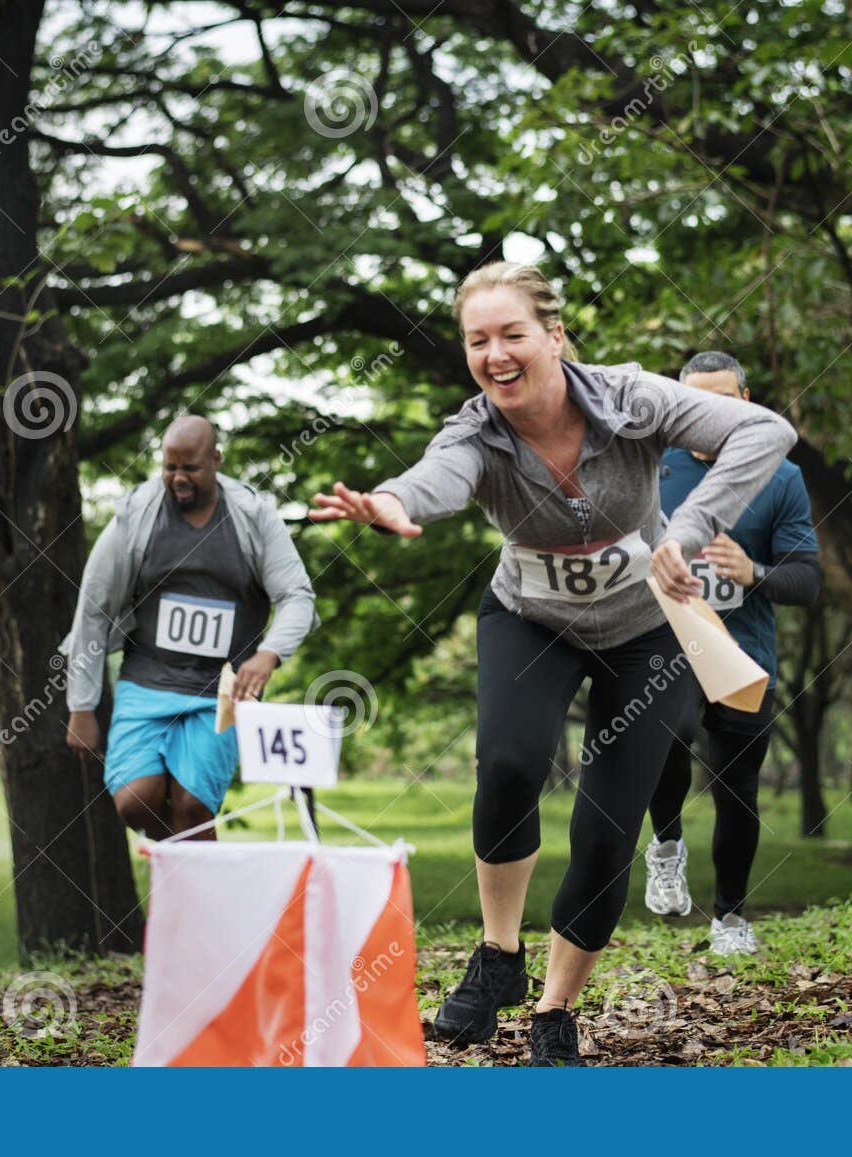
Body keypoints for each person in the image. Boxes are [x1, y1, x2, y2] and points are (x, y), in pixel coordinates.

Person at [310, 262, 796, 1065]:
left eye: (512, 334)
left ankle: (554, 1009)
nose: (495, 354)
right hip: (531, 619)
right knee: (506, 762)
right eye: (477, 340)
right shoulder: (477, 430)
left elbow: (764, 431)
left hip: (645, 631)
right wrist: (393, 500)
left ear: (555, 337)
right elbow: (438, 476)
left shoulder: (629, 396)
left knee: (606, 829)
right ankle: (499, 956)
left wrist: (690, 523)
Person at [60, 415, 319, 840]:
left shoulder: (253, 515)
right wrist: (81, 706)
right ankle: (191, 872)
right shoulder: (135, 515)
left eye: (190, 468)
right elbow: (93, 607)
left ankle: (195, 893)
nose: (178, 478)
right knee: (133, 801)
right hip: (146, 680)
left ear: (216, 460)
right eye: (169, 467)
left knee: (193, 806)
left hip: (222, 688)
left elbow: (297, 597)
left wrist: (268, 656)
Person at [642, 352, 820, 954]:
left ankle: (730, 917)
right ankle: (665, 846)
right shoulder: (653, 465)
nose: (710, 415)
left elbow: (807, 581)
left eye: (724, 400)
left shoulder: (781, 475)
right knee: (669, 732)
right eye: (697, 403)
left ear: (746, 401)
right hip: (666, 646)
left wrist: (755, 572)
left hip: (742, 653)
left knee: (735, 787)